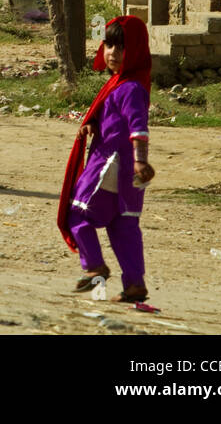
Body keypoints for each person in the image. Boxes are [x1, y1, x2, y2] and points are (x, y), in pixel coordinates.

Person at [59, 15, 155, 304]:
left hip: (111, 164)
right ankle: (135, 285)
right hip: (125, 172)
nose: (113, 53)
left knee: (77, 213)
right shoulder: (124, 83)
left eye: (121, 47)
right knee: (122, 226)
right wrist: (95, 125)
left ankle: (94, 267)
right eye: (108, 45)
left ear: (136, 51)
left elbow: (138, 127)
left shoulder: (130, 89)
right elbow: (119, 122)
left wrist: (141, 160)